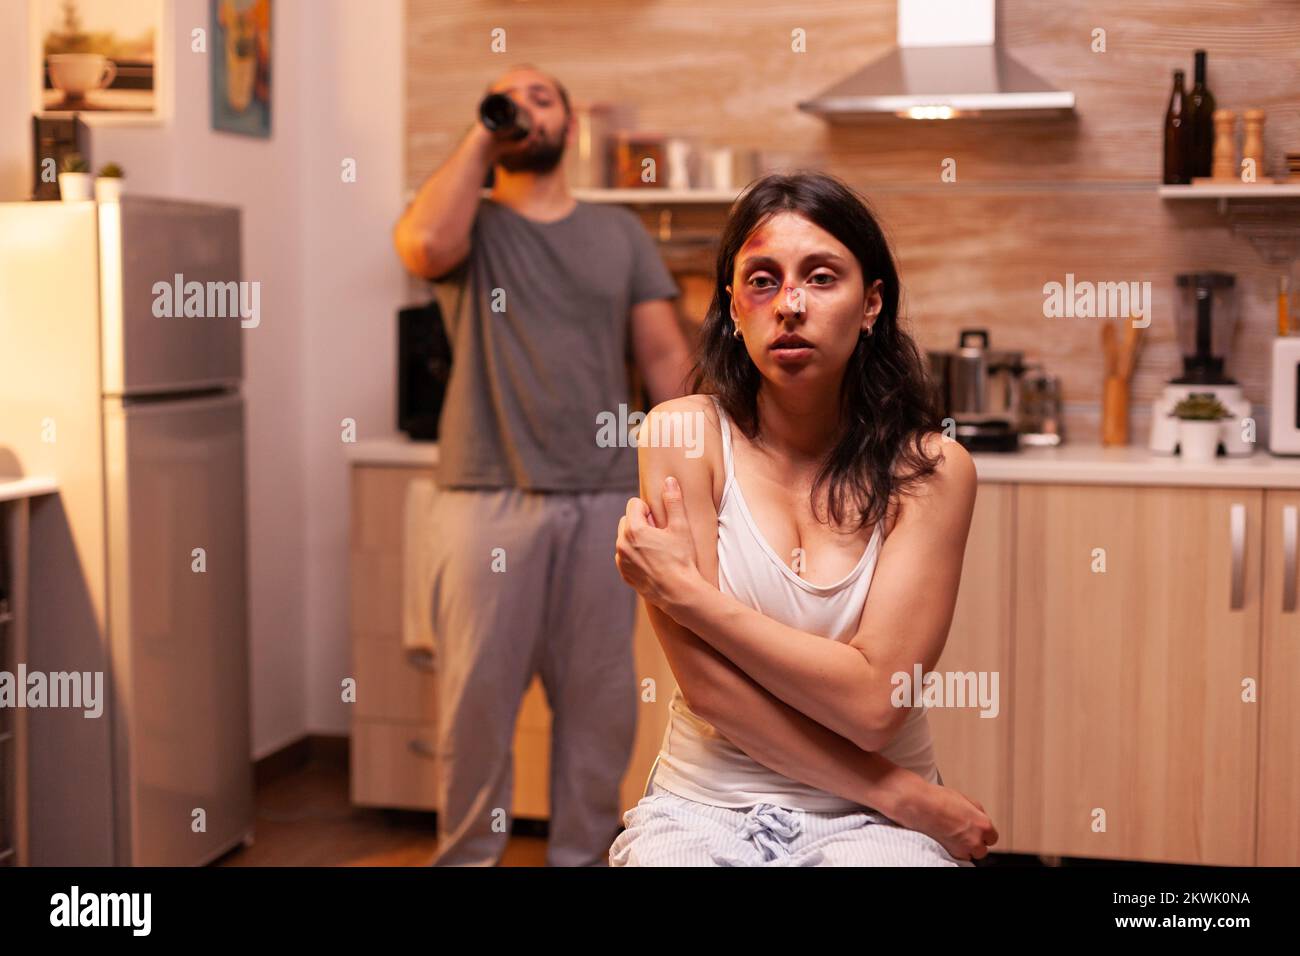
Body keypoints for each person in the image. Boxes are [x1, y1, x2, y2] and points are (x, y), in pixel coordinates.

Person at [609, 171, 999, 866]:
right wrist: (909, 794)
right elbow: (709, 690)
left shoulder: (933, 470)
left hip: (874, 825)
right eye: (762, 280)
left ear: (871, 302)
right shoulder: (680, 436)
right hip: (704, 806)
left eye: (821, 278)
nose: (789, 304)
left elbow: (875, 707)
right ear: (732, 307)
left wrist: (687, 595)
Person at [392, 64, 692, 866]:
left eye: (543, 97)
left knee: (600, 713)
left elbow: (666, 358)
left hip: (602, 500)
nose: (526, 107)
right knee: (475, 709)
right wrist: (485, 136)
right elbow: (421, 244)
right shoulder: (473, 225)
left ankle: (583, 860)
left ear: (569, 126)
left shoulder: (618, 234)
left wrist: (719, 466)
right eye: (508, 98)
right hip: (485, 495)